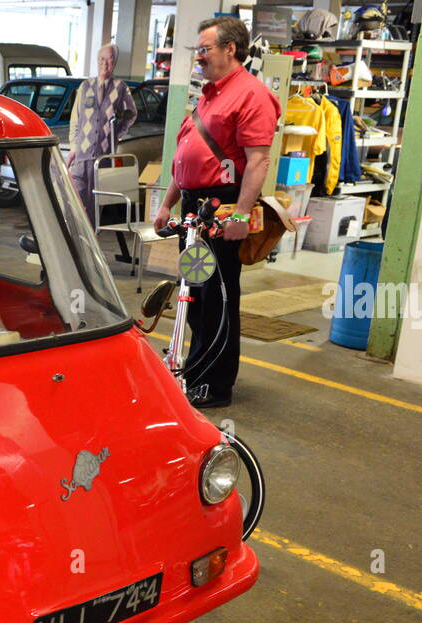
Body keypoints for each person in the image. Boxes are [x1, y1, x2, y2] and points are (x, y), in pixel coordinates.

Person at [153, 17, 280, 409]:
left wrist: (240, 216)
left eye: (205, 49)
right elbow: (186, 158)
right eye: (198, 50)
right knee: (196, 296)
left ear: (230, 49)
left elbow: (258, 161)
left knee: (218, 299)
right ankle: (194, 370)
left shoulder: (250, 95)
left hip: (221, 208)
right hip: (194, 208)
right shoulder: (209, 95)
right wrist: (167, 203)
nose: (199, 57)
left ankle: (213, 385)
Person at [67, 44, 137, 222]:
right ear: (97, 61)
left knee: (95, 206)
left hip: (102, 158)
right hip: (81, 157)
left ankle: (90, 241)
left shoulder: (120, 87)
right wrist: (74, 147)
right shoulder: (85, 86)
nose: (105, 63)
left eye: (110, 59)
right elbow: (75, 120)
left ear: (115, 62)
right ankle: (73, 239)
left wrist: (116, 135)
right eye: (102, 59)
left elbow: (131, 114)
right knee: (75, 201)